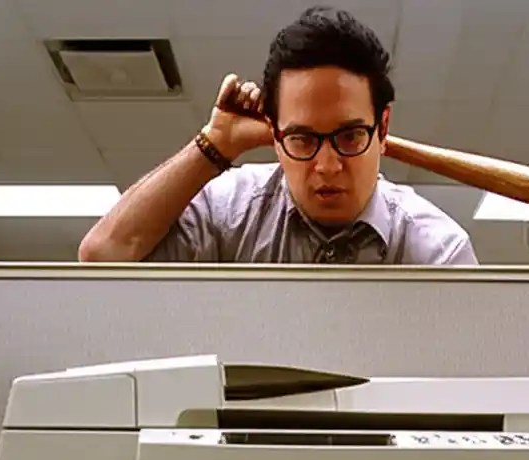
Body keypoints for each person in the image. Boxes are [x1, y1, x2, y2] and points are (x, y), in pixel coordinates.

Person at [77, 5, 478, 265]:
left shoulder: (438, 251)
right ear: (275, 134)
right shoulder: (232, 213)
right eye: (302, 139)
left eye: (350, 136)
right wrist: (214, 145)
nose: (327, 165)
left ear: (383, 128)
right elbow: (101, 255)